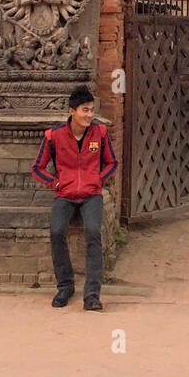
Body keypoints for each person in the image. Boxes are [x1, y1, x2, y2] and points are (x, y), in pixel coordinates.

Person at [31, 85, 118, 310]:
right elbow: (37, 168)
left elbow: (112, 163)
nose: (89, 115)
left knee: (92, 232)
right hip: (65, 194)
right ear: (72, 111)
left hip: (91, 195)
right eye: (85, 110)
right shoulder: (54, 136)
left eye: (91, 110)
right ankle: (65, 286)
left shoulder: (100, 133)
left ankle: (91, 294)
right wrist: (55, 183)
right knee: (57, 231)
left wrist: (98, 180)